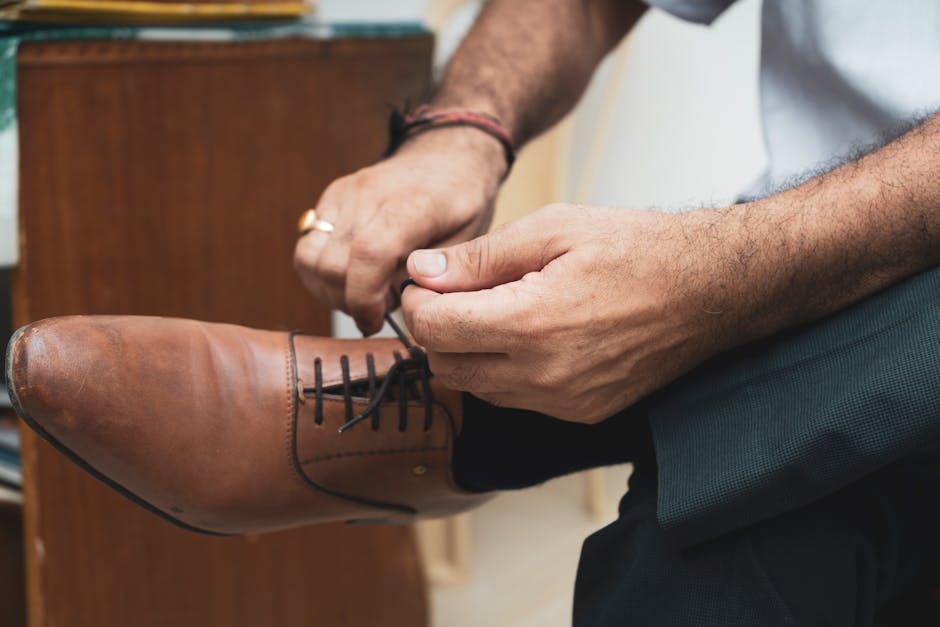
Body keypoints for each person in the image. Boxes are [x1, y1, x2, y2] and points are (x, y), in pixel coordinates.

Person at [293, 1, 940, 625]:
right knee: (695, 573)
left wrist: (712, 276)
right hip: (805, 318)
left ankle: (461, 421)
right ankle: (461, 416)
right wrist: (463, 131)